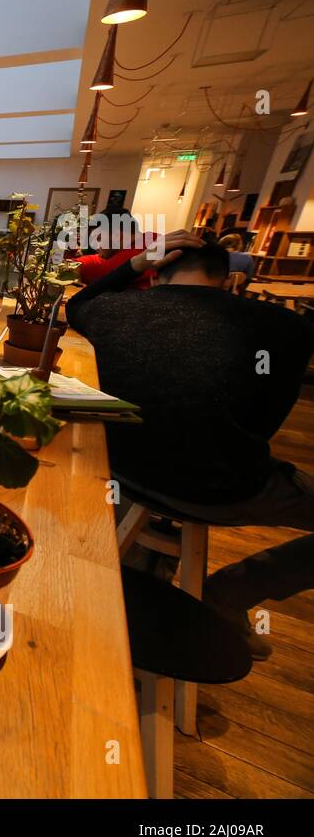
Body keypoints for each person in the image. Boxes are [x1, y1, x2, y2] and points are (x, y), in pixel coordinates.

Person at [66, 232, 314, 655]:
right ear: (228, 278)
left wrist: (135, 265)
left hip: (121, 470)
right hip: (223, 489)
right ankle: (232, 592)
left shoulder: (113, 309)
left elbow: (75, 305)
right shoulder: (288, 327)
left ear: (157, 272)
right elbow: (268, 416)